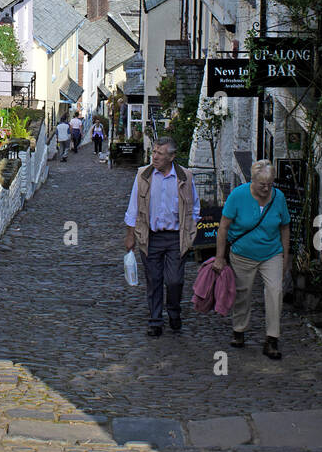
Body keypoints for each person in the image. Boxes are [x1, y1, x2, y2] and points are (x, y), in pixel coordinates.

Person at [213, 158, 290, 360]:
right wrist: (219, 257)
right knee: (242, 293)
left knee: (275, 291)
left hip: (271, 252)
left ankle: (272, 339)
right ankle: (239, 330)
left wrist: (285, 256)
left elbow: (285, 227)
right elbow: (223, 227)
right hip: (242, 254)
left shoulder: (278, 197)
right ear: (252, 181)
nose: (266, 189)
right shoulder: (238, 196)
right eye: (262, 184)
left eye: (270, 184)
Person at [124, 137, 200, 337]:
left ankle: (174, 311)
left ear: (171, 157)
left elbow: (194, 206)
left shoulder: (185, 177)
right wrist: (130, 235)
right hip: (151, 236)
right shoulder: (143, 175)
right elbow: (133, 206)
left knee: (175, 280)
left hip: (176, 237)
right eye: (154, 152)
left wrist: (192, 229)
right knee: (154, 279)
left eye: (159, 153)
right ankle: (155, 320)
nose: (155, 156)